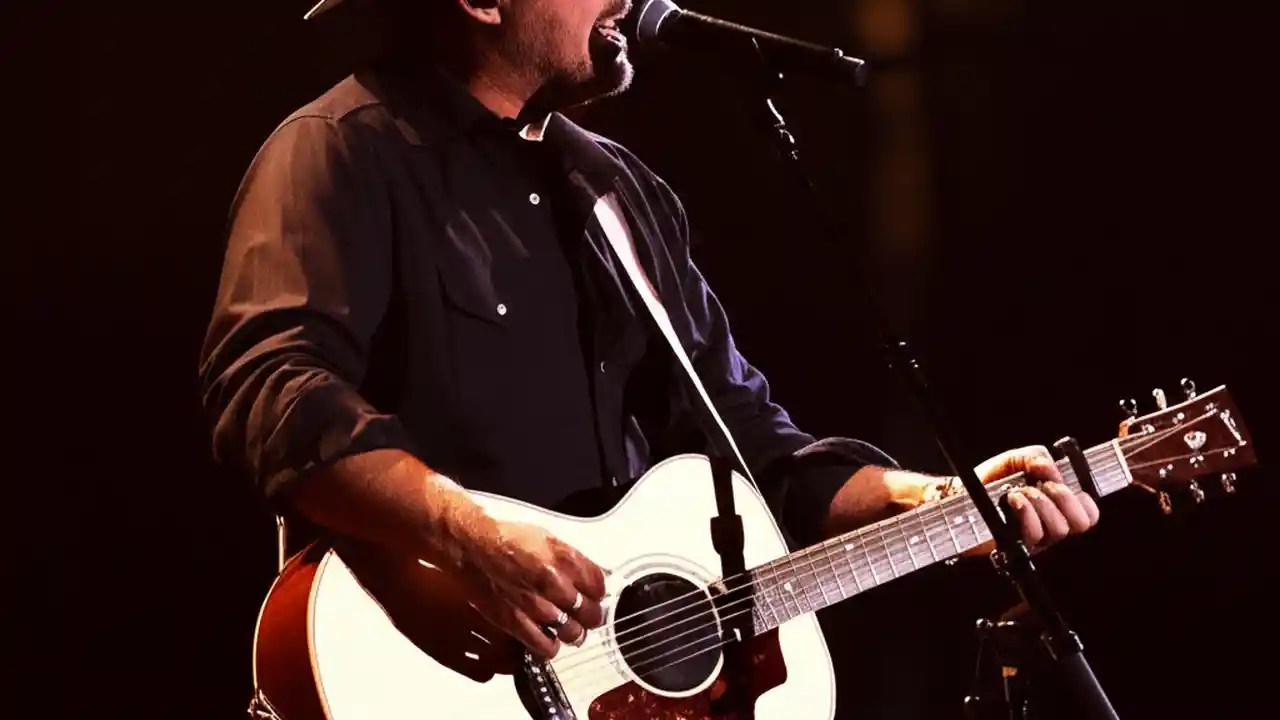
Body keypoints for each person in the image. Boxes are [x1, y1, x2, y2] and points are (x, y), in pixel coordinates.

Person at [199, 0, 1099, 692]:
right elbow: (271, 391)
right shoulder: (340, 154)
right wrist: (470, 537)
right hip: (415, 673)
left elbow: (760, 452)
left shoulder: (623, 196)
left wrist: (945, 500)